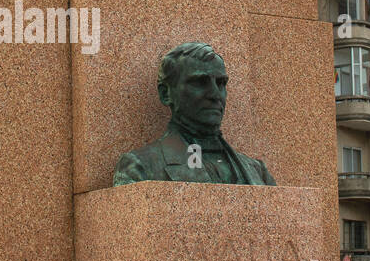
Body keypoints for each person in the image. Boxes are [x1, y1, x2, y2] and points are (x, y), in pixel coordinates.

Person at [114, 41, 276, 186]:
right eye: (199, 82)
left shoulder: (257, 172)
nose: (215, 95)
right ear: (166, 93)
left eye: (220, 83)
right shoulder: (141, 166)